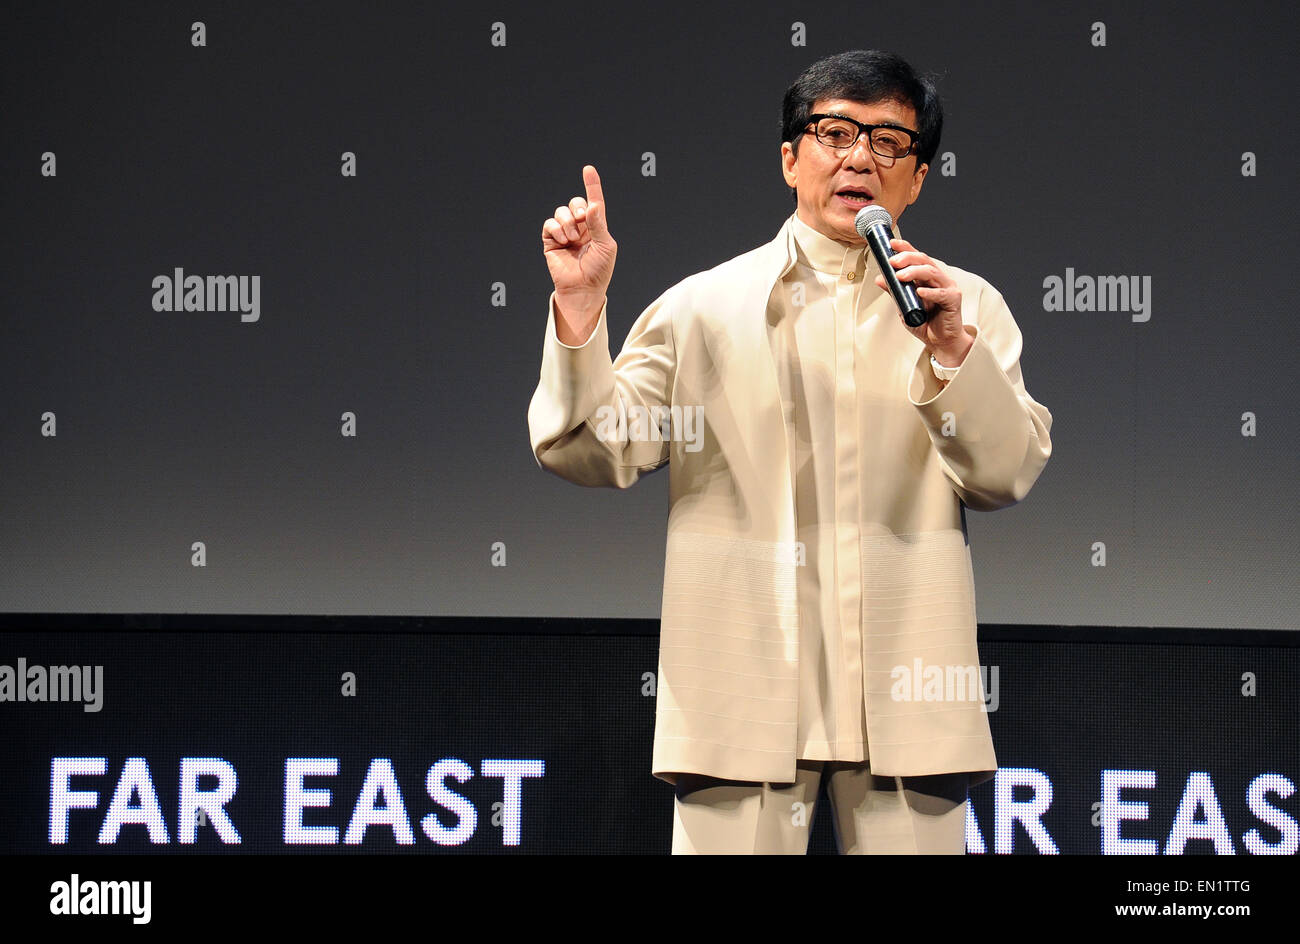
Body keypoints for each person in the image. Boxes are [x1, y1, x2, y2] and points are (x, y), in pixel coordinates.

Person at [528, 49, 1053, 854]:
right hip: (741, 701)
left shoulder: (964, 305)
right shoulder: (703, 307)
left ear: (916, 179)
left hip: (906, 710)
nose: (858, 159)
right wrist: (579, 309)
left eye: (888, 143)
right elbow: (590, 447)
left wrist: (951, 353)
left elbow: (1006, 472)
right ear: (790, 157)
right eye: (835, 131)